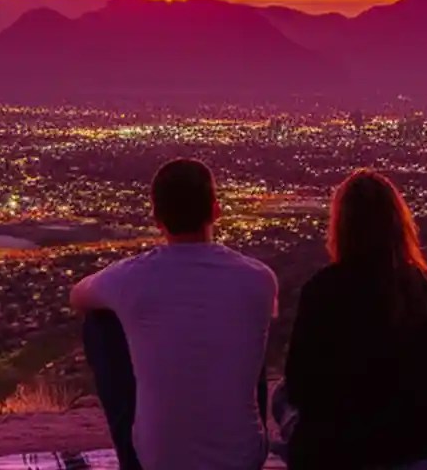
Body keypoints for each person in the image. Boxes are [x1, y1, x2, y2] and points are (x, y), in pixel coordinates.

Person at [71, 158, 279, 470]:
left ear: (156, 218)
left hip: (157, 461)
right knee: (246, 323)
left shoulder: (131, 278)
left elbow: (78, 297)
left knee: (100, 322)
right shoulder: (259, 278)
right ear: (215, 210)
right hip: (243, 459)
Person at [275, 169, 427, 470]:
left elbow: (300, 383)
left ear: (342, 226)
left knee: (281, 394)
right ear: (399, 223)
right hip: (416, 447)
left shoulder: (323, 288)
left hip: (340, 449)